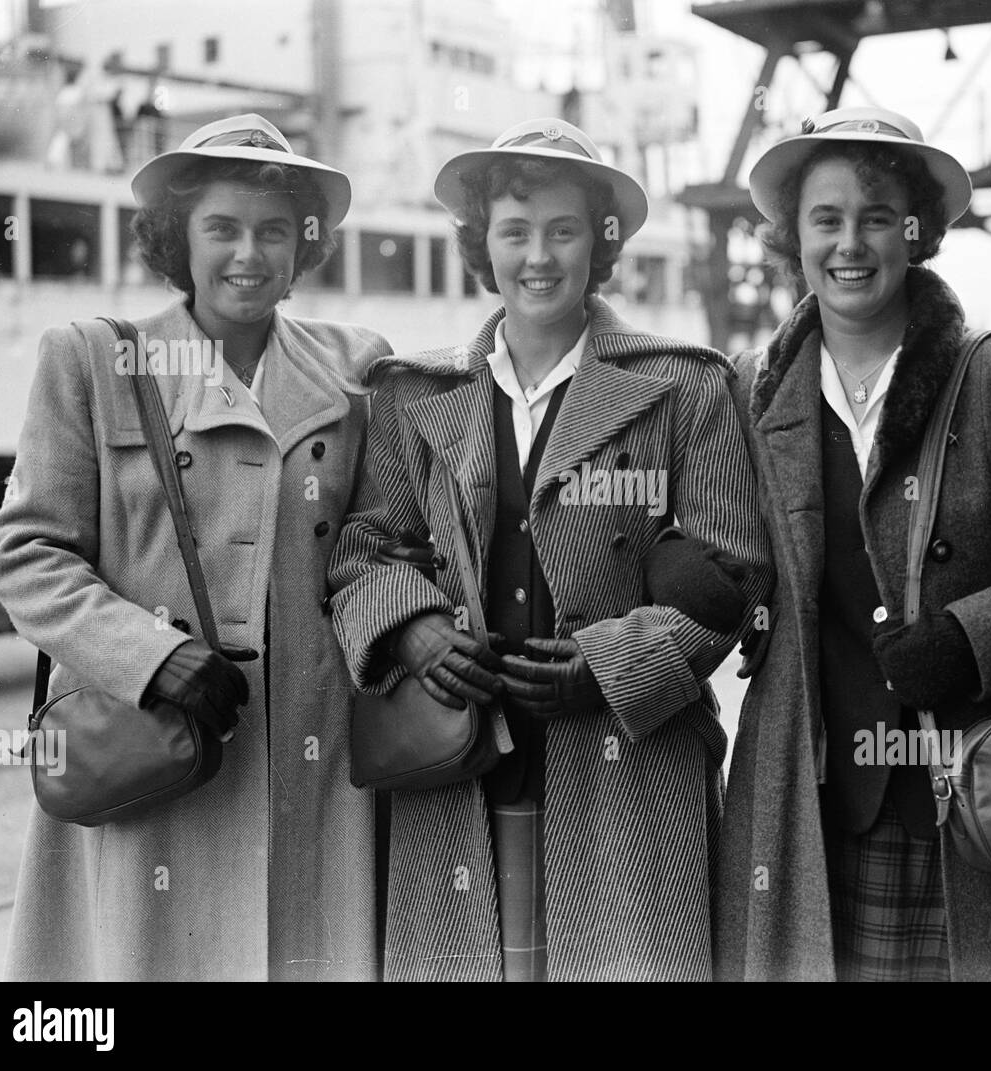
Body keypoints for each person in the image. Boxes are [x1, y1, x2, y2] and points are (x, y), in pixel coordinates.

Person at [327, 117, 771, 982]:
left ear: (599, 245)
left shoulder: (687, 385)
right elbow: (362, 547)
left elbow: (735, 575)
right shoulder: (415, 393)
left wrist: (606, 667)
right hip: (455, 762)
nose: (539, 257)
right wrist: (411, 631)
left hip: (626, 772)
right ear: (481, 243)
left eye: (564, 231)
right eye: (516, 231)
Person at [715, 106, 991, 981]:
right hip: (815, 798)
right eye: (825, 219)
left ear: (919, 232)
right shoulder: (752, 394)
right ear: (794, 237)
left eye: (877, 217)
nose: (850, 244)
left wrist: (971, 638)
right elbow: (744, 564)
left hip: (985, 793)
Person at [0, 113, 391, 981]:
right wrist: (153, 656)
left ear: (303, 244)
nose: (249, 253)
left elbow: (382, 539)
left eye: (274, 230)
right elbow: (26, 554)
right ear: (178, 236)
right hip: (153, 755)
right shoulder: (93, 361)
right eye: (222, 228)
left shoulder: (356, 370)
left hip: (307, 772)